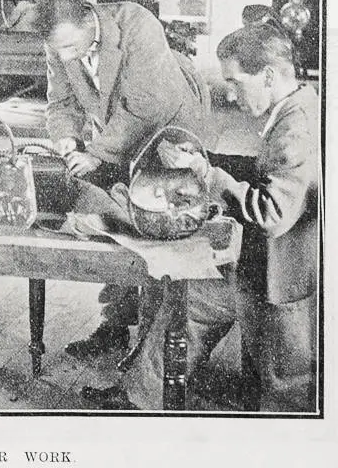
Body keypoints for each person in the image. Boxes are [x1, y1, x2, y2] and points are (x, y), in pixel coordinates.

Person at [111, 23, 318, 411]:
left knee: (284, 392)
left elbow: (272, 213)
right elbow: (266, 175)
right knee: (190, 300)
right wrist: (204, 159)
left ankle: (143, 402)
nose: (229, 92)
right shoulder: (298, 106)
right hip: (270, 266)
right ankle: (139, 399)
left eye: (236, 82)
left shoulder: (296, 128)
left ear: (269, 76)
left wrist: (208, 175)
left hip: (283, 282)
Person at [35, 0, 212, 359]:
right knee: (114, 225)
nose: (65, 55)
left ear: (89, 19)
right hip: (117, 133)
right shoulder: (60, 42)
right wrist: (67, 140)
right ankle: (114, 325)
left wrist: (97, 153)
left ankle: (152, 346)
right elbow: (62, 102)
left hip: (167, 133)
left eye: (70, 47)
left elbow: (146, 106)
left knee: (157, 237)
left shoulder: (136, 24)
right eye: (58, 50)